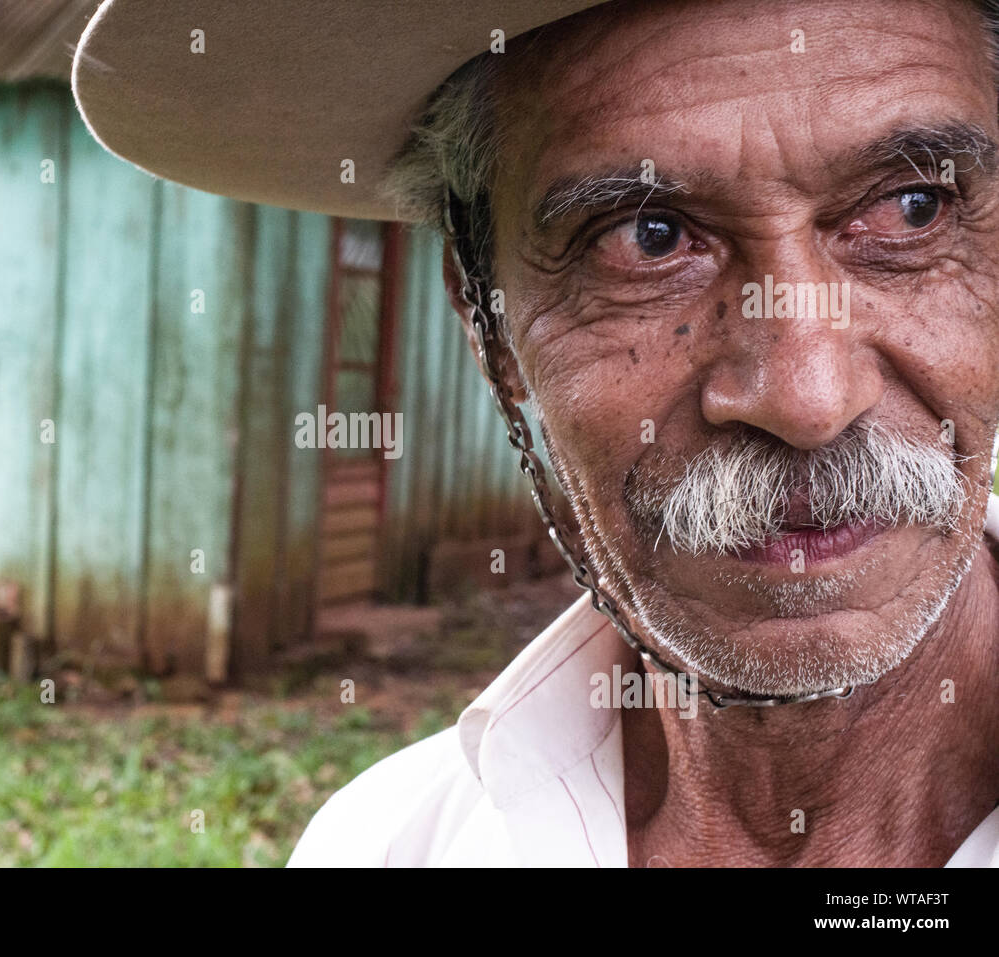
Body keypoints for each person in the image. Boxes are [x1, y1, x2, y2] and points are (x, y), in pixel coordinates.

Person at [73, 0, 999, 866]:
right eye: (649, 237)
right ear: (487, 323)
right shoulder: (387, 844)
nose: (807, 397)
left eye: (914, 208)